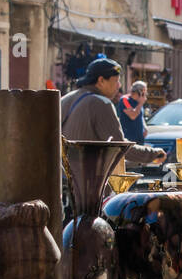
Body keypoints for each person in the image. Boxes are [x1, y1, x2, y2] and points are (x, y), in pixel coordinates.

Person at [60, 57, 165, 186]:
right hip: (89, 185)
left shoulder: (65, 99)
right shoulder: (101, 103)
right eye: (116, 81)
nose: (119, 86)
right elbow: (119, 147)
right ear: (101, 80)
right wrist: (153, 154)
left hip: (62, 180)